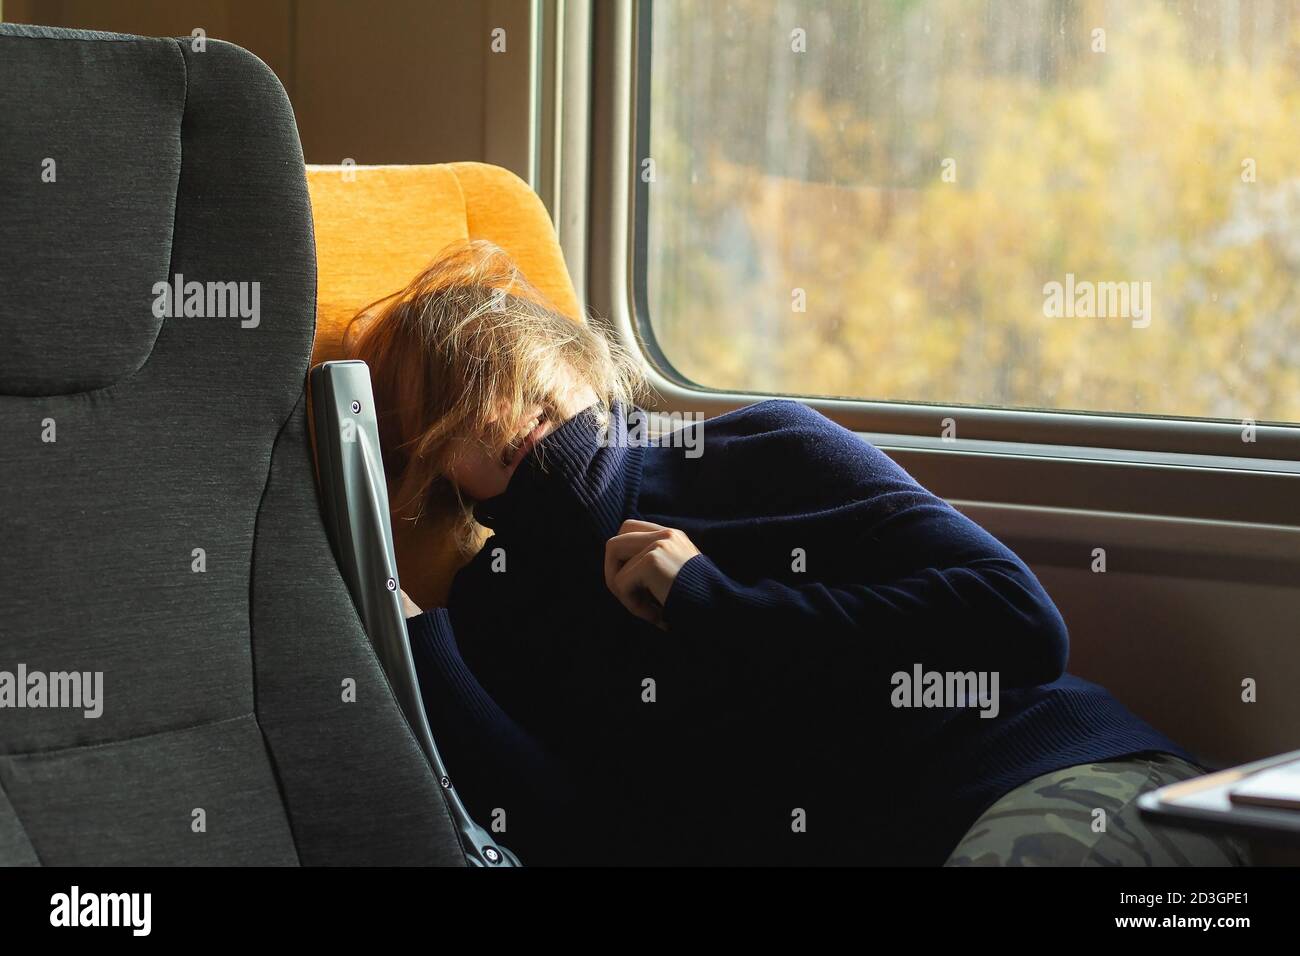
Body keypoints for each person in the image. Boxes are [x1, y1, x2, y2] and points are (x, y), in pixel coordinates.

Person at [347, 239, 1246, 867]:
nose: (498, 414)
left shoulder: (764, 448)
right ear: (434, 464)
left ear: (579, 362)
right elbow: (577, 833)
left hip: (1063, 785)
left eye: (504, 369)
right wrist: (421, 648)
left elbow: (1017, 624)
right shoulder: (500, 615)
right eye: (451, 408)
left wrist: (712, 602)